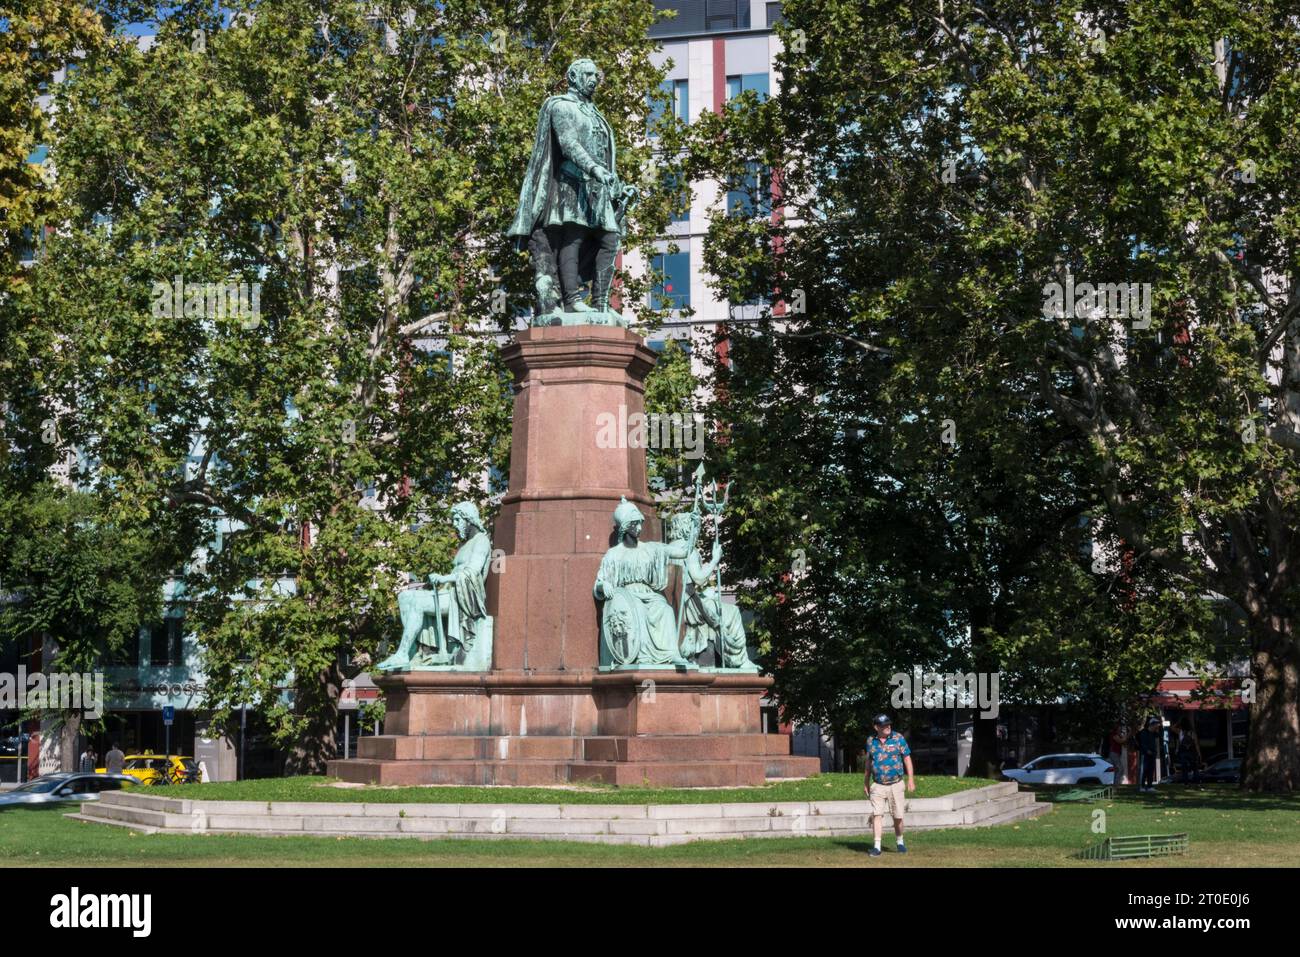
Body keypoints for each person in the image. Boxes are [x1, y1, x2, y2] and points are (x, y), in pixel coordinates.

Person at [507, 57, 637, 317]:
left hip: (599, 189)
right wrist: (594, 169)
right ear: (573, 78)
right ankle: (571, 300)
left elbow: (604, 153)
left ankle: (600, 305)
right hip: (571, 184)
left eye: (595, 76)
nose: (593, 80)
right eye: (587, 75)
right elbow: (569, 144)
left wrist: (618, 186)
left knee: (610, 240)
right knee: (574, 237)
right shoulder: (561, 106)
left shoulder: (595, 113)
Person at [593, 497, 691, 666]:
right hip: (629, 598)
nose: (638, 528)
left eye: (640, 523)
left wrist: (694, 529)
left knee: (665, 610)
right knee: (638, 611)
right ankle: (642, 656)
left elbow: (682, 552)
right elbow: (599, 583)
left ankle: (671, 654)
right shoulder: (614, 554)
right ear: (624, 527)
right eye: (634, 524)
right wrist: (604, 585)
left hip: (650, 595)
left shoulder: (650, 548)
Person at [864, 713, 915, 857]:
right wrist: (866, 782)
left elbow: (907, 758)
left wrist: (911, 779)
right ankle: (877, 846)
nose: (888, 727)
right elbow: (868, 763)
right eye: (884, 725)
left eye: (888, 724)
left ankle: (900, 842)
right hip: (878, 785)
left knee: (898, 816)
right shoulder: (870, 741)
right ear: (876, 727)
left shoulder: (898, 738)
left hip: (896, 784)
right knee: (877, 815)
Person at [1136, 716, 1161, 792]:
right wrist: (1147, 751)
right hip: (1145, 754)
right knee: (1144, 770)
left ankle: (1150, 786)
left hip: (1152, 754)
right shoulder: (1144, 732)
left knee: (1151, 770)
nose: (1157, 726)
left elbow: (1160, 736)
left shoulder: (1154, 733)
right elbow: (1142, 744)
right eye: (1156, 724)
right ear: (1151, 724)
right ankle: (1142, 786)